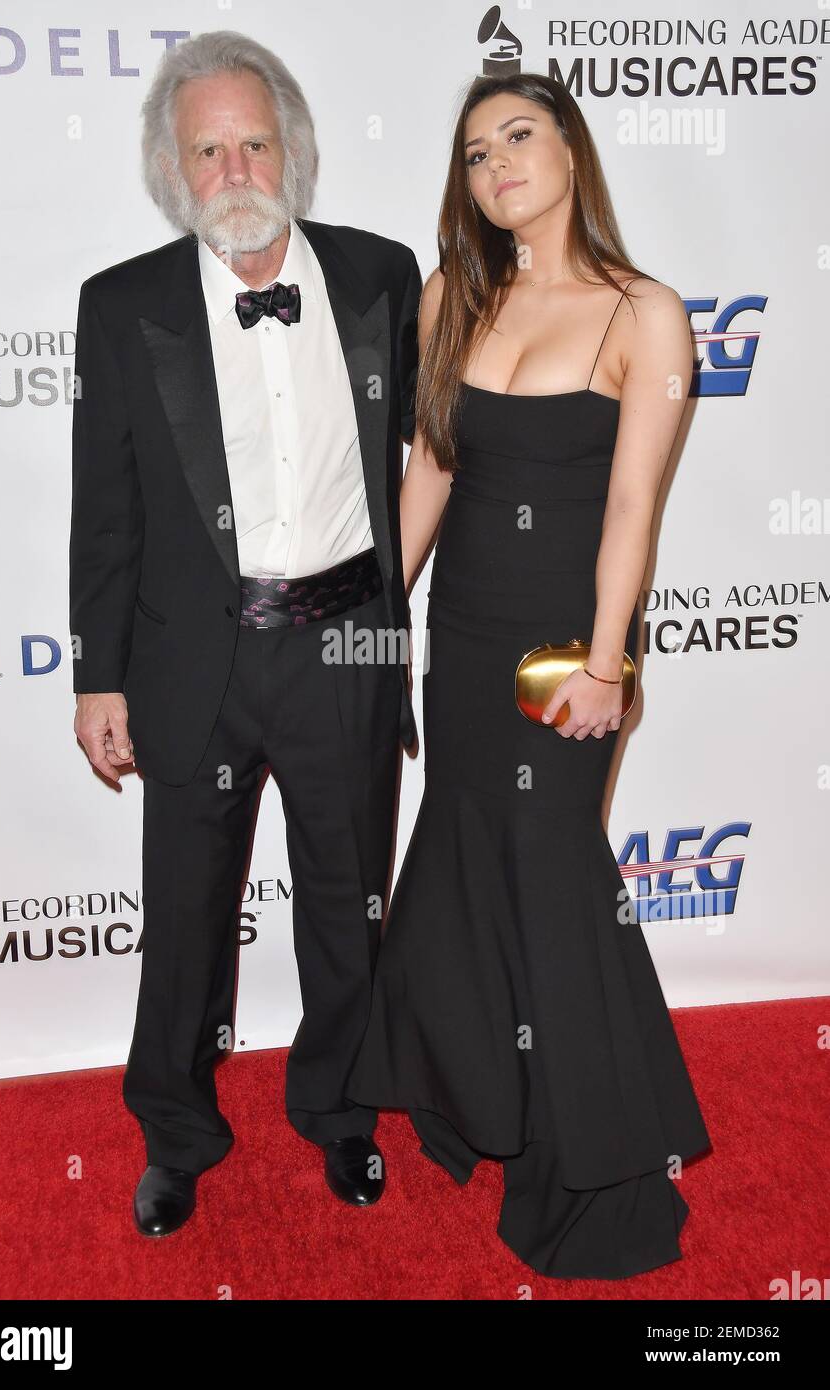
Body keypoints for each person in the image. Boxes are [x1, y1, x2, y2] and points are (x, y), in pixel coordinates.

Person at [348, 72, 712, 1279]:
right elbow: (433, 474)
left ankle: (600, 1164)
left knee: (556, 885)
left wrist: (607, 664)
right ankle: (483, 1098)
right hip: (465, 638)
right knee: (464, 867)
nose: (495, 163)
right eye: (472, 152)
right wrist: (369, 616)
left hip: (566, 651)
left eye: (518, 136)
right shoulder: (459, 292)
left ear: (573, 150)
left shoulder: (642, 313)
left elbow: (631, 505)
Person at [68, 30, 422, 1236]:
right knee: (184, 921)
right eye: (206, 149)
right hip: (193, 665)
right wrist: (97, 674)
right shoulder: (123, 306)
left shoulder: (384, 276)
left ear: (294, 151)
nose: (233, 171)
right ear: (175, 170)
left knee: (348, 904)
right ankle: (176, 1133)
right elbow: (104, 508)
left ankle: (341, 1112)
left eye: (253, 142)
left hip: (345, 649)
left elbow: (433, 465)